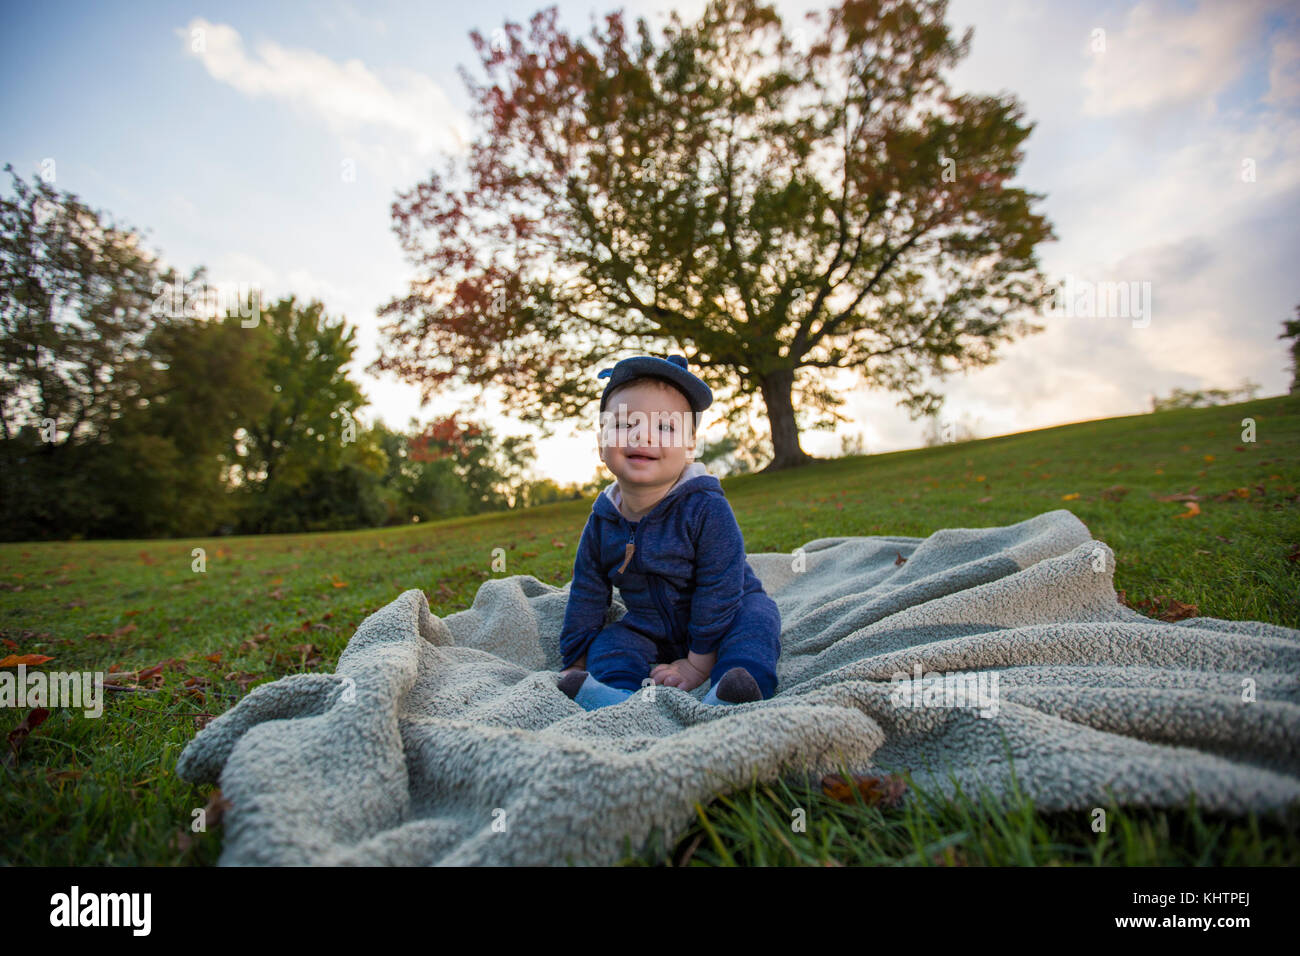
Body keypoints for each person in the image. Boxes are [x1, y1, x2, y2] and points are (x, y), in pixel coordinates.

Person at [556, 354, 782, 710]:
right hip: (651, 627)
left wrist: (696, 663)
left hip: (726, 612)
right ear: (602, 444)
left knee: (758, 621)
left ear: (689, 448)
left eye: (665, 427)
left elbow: (720, 585)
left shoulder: (705, 506)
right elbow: (587, 592)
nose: (643, 434)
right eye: (626, 423)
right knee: (611, 641)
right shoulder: (603, 520)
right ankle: (615, 696)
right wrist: (575, 658)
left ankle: (736, 686)